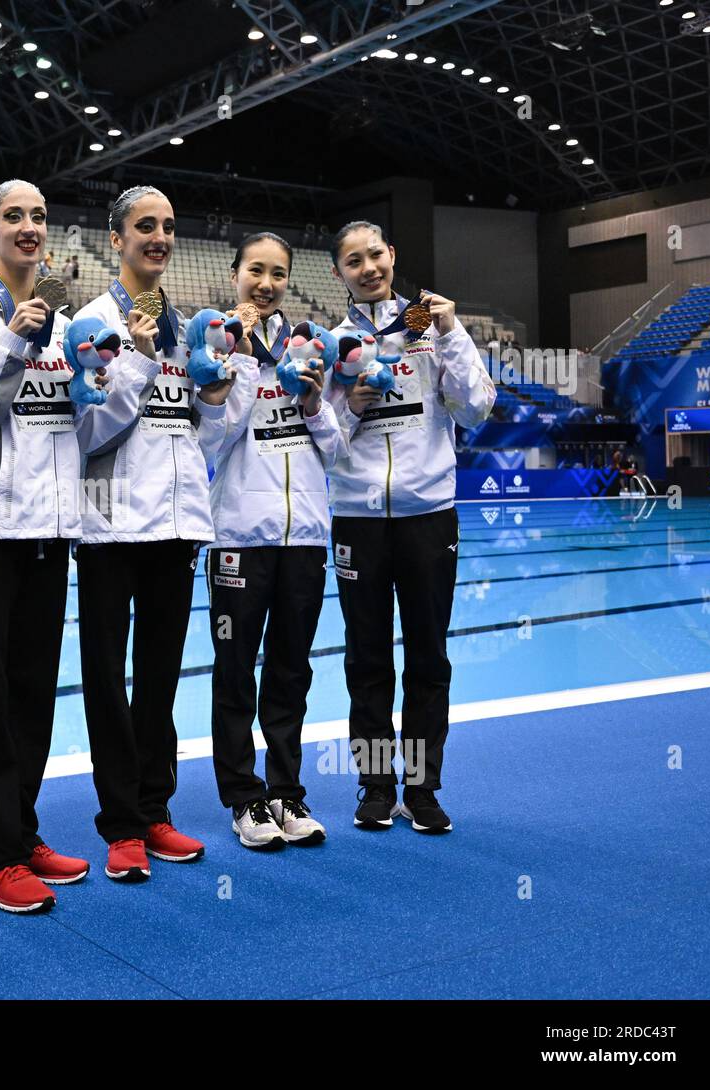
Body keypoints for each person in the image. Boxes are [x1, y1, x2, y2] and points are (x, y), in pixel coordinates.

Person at [0, 179, 112, 913]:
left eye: (39, 217)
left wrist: (97, 387)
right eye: (13, 216)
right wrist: (14, 342)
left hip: (50, 533)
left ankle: (23, 828)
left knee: (33, 697)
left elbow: (77, 435)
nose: (29, 227)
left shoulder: (68, 326)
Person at [72, 185, 232, 882]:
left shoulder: (194, 330)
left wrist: (219, 399)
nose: (158, 237)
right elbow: (89, 431)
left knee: (161, 680)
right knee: (109, 682)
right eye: (145, 226)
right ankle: (121, 826)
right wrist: (135, 361)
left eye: (168, 226)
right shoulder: (90, 323)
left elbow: (208, 438)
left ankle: (156, 810)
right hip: (111, 526)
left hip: (176, 525)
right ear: (116, 239)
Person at [324, 220, 495, 835]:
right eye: (352, 261)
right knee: (365, 659)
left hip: (428, 516)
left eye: (375, 255)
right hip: (357, 519)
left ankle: (422, 788)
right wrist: (351, 404)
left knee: (429, 658)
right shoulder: (330, 342)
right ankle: (375, 787)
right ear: (339, 273)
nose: (367, 267)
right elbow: (322, 435)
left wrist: (451, 332)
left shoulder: (430, 327)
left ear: (391, 256)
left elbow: (475, 408)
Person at [202, 231, 343, 849]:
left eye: (277, 274)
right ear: (235, 275)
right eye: (255, 271)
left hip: (306, 539)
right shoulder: (213, 347)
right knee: (235, 673)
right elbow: (207, 444)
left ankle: (286, 792)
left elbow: (336, 450)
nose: (265, 283)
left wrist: (312, 401)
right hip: (239, 537)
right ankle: (243, 799)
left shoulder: (311, 348)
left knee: (291, 672)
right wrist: (237, 358)